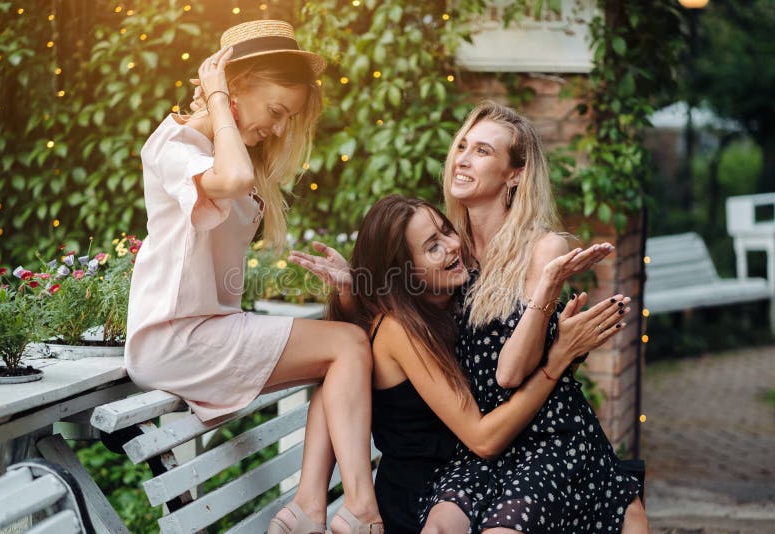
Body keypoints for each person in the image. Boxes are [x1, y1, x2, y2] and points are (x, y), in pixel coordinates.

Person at [124, 20, 382, 534]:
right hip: (174, 337)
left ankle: (312, 508)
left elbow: (241, 178)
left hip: (205, 329)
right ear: (236, 87)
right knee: (349, 345)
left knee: (343, 356)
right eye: (276, 112)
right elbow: (234, 180)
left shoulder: (221, 153)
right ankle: (362, 510)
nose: (280, 129)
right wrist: (217, 96)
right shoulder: (174, 146)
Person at [293, 194, 628, 533]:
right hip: (422, 503)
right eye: (432, 247)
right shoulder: (400, 329)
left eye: (447, 231)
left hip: (472, 484)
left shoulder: (457, 301)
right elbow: (483, 440)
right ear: (406, 272)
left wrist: (566, 344)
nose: (452, 246)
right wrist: (556, 361)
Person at [416, 101, 648, 533]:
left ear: (515, 174)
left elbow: (510, 371)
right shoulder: (451, 252)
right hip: (483, 440)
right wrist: (355, 287)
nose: (463, 159)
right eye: (462, 146)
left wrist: (547, 287)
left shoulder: (543, 249)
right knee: (438, 526)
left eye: (483, 151)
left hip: (550, 438)